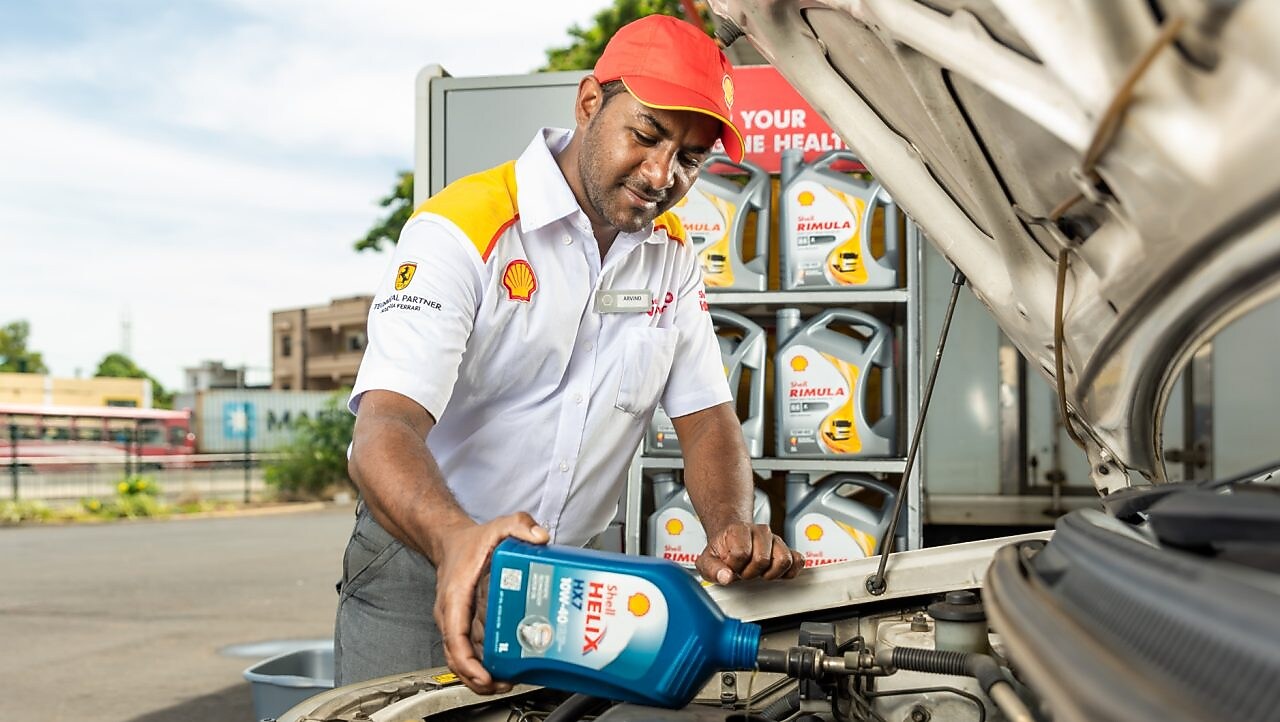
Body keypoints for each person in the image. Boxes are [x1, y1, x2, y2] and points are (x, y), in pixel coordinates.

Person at [336, 14, 805, 693]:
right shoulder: (460, 229)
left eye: (691, 159)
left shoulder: (671, 257)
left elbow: (706, 419)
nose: (659, 174)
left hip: (576, 588)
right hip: (423, 563)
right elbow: (383, 429)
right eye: (645, 135)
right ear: (590, 103)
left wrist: (732, 527)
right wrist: (455, 542)